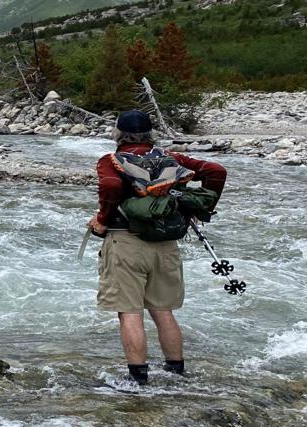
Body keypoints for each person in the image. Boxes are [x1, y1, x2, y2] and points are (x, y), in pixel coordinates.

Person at [89, 110, 226, 385]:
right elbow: (216, 171)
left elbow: (112, 184)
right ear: (150, 133)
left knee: (129, 312)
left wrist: (102, 219)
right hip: (166, 244)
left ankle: (137, 381)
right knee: (163, 310)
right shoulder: (171, 158)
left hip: (126, 242)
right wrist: (203, 210)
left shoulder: (111, 160)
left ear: (118, 133)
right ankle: (176, 374)